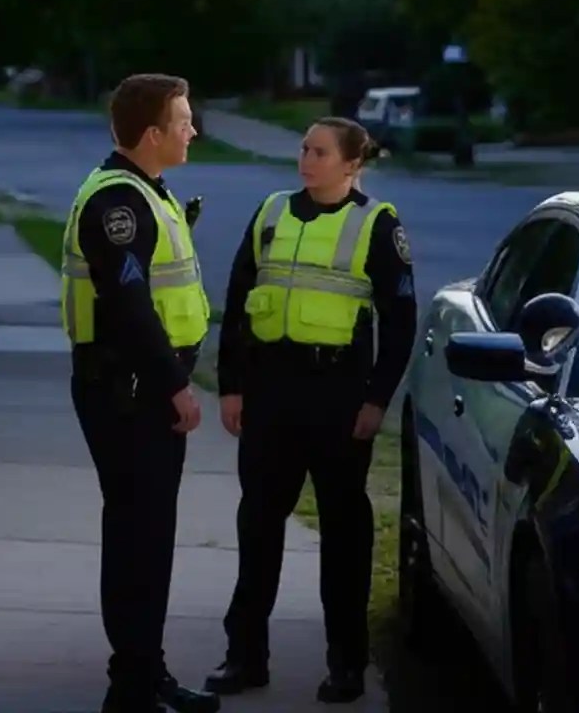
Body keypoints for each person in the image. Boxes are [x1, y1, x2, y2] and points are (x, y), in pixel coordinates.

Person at [204, 117, 418, 703]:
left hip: (338, 396)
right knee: (259, 526)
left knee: (345, 536)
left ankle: (346, 664)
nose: (306, 158)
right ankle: (245, 656)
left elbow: (401, 324)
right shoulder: (271, 212)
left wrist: (376, 400)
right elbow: (238, 304)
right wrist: (231, 387)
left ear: (351, 164)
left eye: (319, 151)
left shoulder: (377, 224)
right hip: (272, 391)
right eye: (303, 148)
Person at [59, 73, 218, 713]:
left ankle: (145, 674)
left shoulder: (147, 192)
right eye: (183, 120)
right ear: (151, 134)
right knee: (137, 538)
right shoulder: (118, 204)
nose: (192, 130)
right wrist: (175, 384)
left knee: (147, 537)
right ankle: (131, 687)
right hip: (131, 390)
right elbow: (128, 307)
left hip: (136, 387)